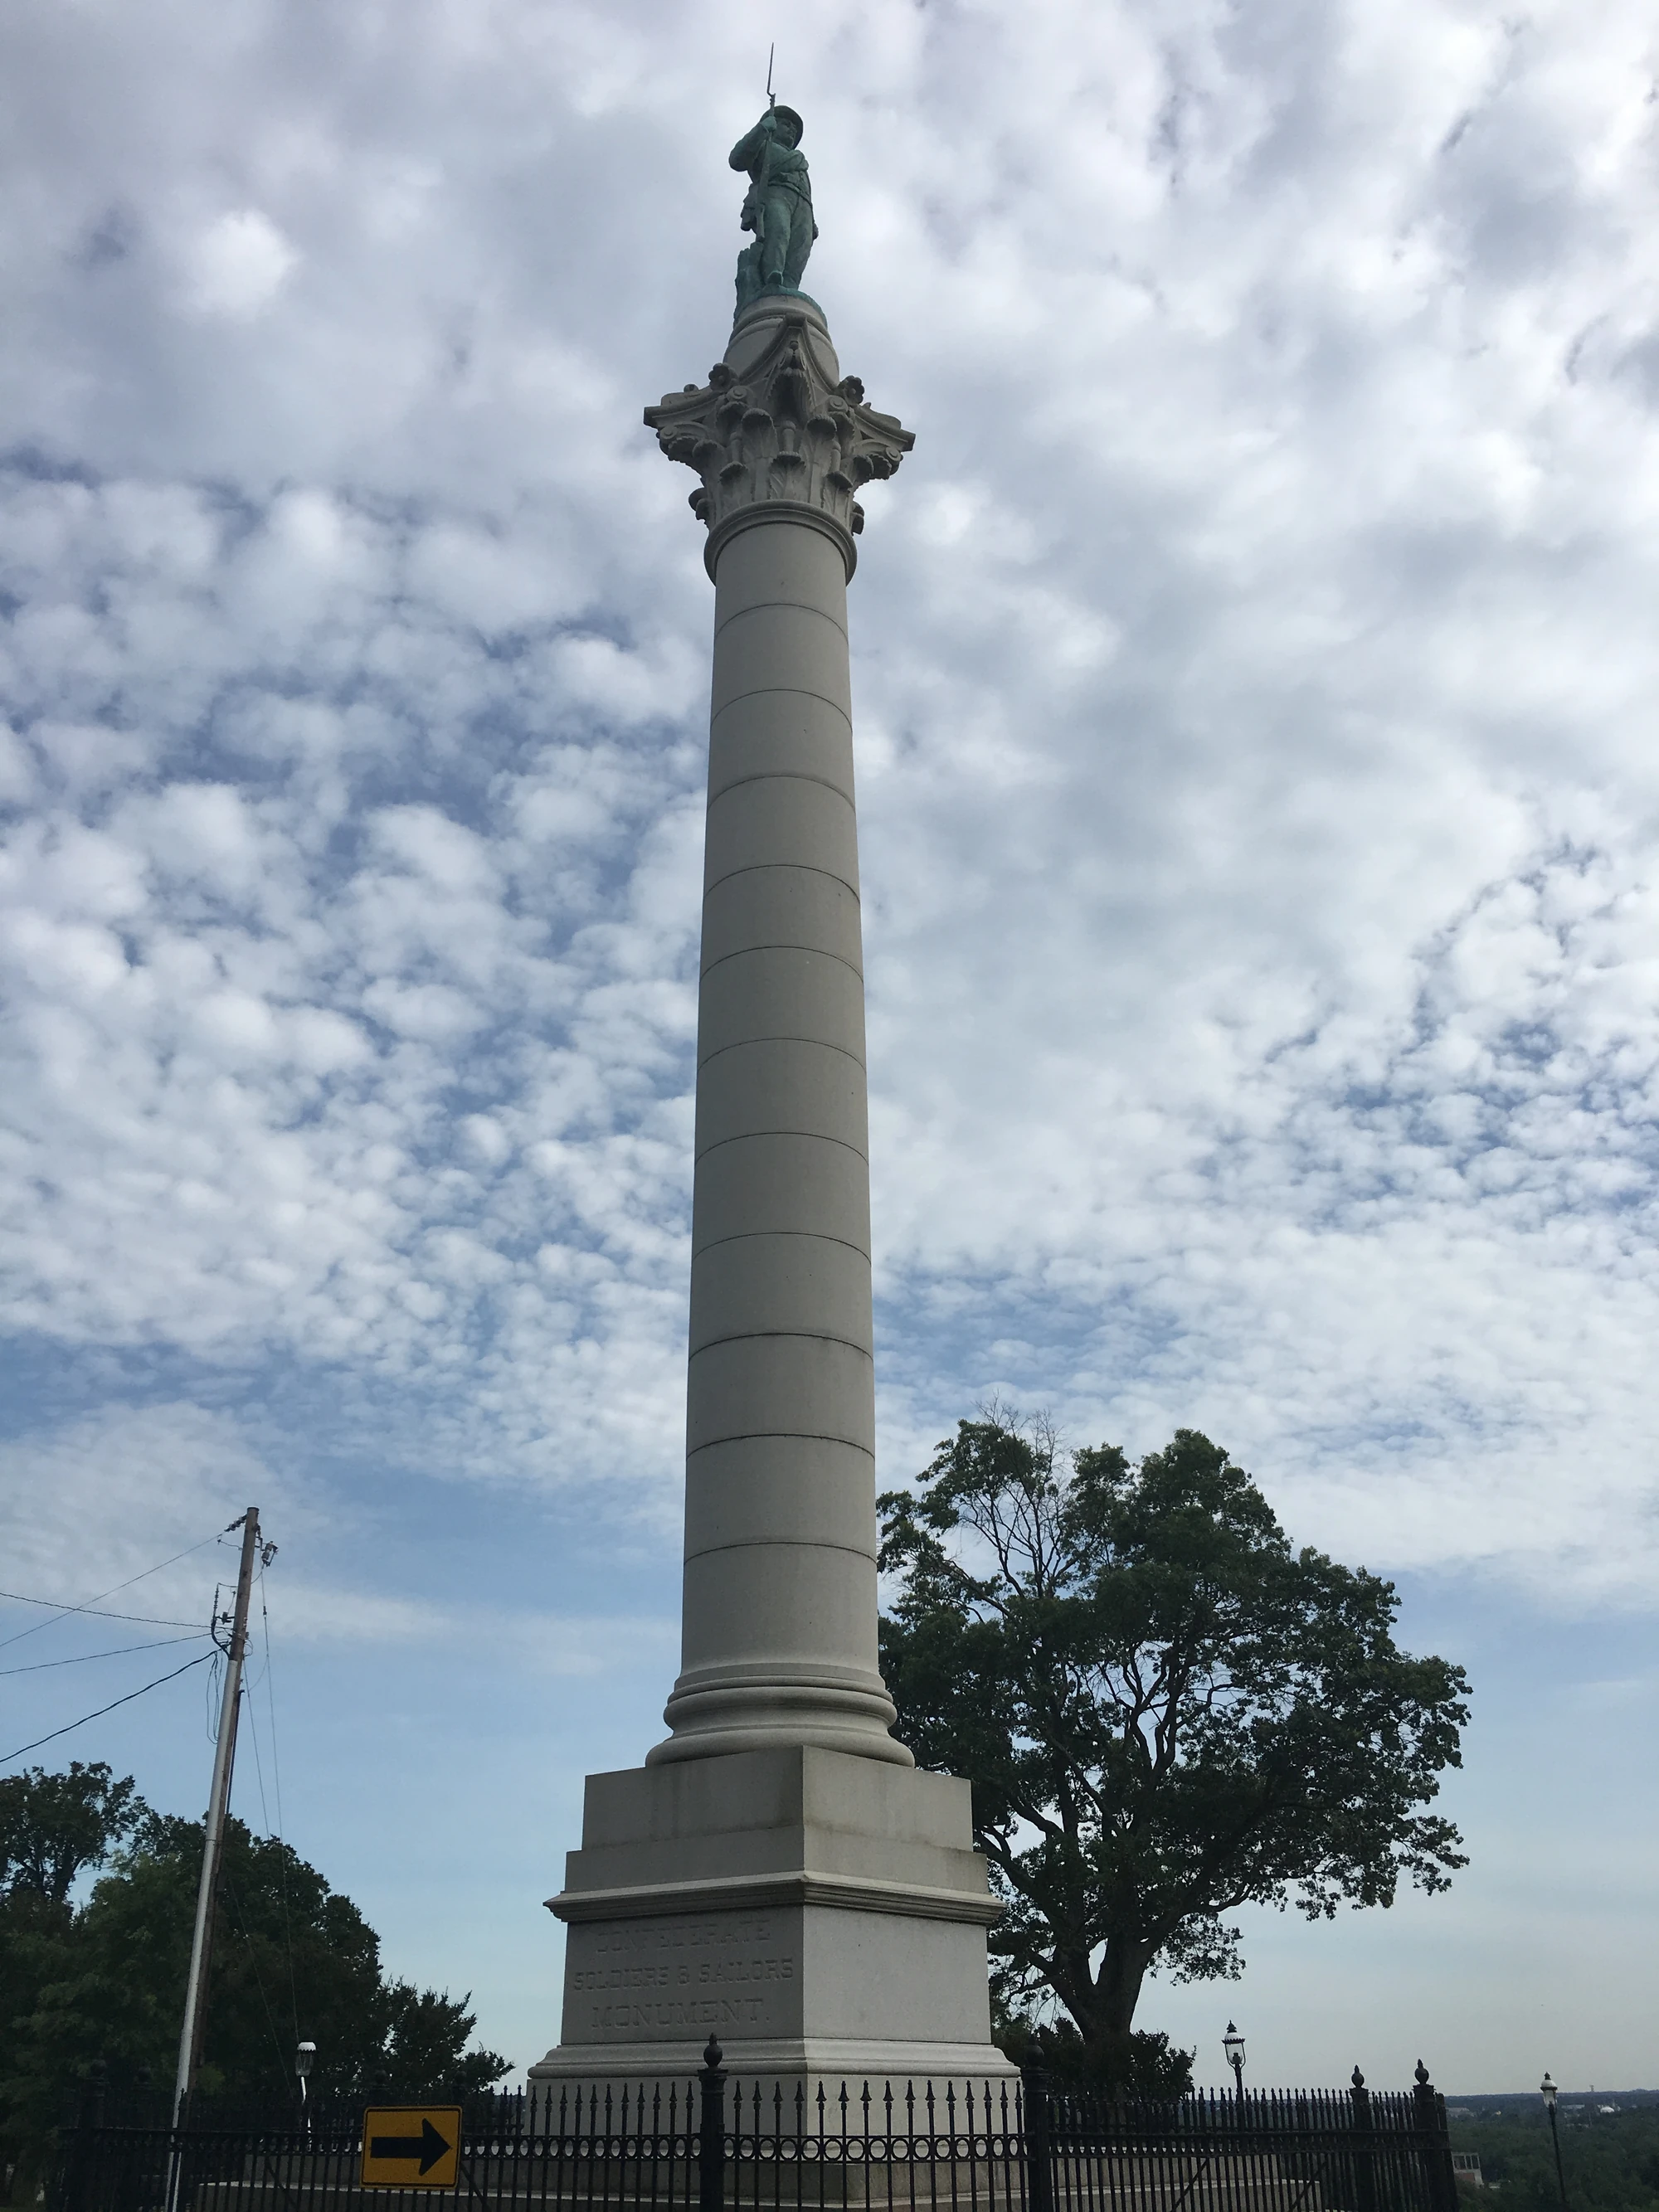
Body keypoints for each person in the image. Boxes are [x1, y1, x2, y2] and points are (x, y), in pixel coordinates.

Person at [729, 106, 817, 309]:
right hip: (776, 193)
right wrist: (761, 129)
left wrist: (812, 221)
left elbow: (807, 188)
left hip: (802, 202)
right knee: (778, 232)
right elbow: (736, 160)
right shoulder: (763, 145)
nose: (792, 130)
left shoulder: (799, 159)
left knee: (800, 247)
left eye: (794, 128)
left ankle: (789, 286)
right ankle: (772, 278)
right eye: (786, 124)